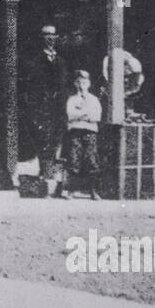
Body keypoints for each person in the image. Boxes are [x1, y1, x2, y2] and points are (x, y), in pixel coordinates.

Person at [20, 24, 70, 172]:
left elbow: (63, 84)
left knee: (56, 140)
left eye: (53, 36)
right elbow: (32, 86)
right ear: (41, 38)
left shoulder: (61, 61)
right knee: (42, 140)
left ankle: (51, 173)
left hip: (58, 109)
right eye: (47, 36)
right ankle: (44, 173)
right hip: (41, 109)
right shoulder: (35, 61)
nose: (50, 39)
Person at [63, 70, 102, 199]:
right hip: (75, 132)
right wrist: (85, 114)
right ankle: (71, 190)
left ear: (89, 84)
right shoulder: (72, 99)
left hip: (90, 132)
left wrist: (80, 115)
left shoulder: (94, 99)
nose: (81, 85)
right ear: (75, 83)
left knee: (91, 160)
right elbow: (70, 115)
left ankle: (93, 191)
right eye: (79, 82)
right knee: (74, 160)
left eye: (84, 82)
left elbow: (96, 116)